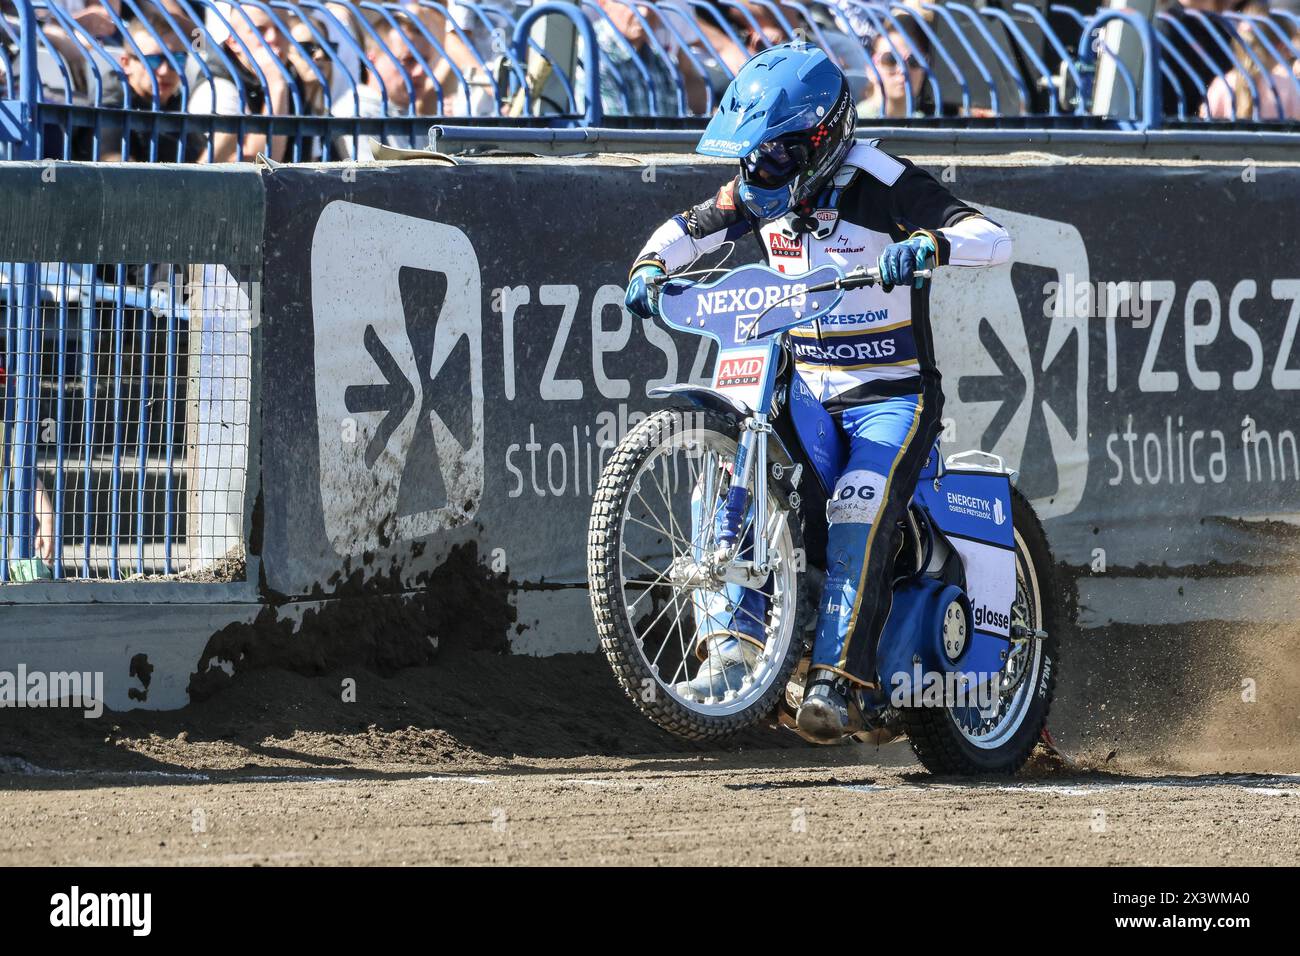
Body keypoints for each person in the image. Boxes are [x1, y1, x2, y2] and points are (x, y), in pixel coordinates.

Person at [623, 42, 1011, 742]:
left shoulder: (883, 179)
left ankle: (842, 682)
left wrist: (929, 246)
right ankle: (732, 647)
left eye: (773, 158)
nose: (757, 175)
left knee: (861, 504)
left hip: (891, 395)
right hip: (805, 382)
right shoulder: (759, 185)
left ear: (820, 142)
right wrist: (650, 267)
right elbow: (693, 228)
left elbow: (989, 237)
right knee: (731, 469)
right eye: (752, 158)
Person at [858, 26, 932, 119]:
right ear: (870, 69)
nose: (903, 69)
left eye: (914, 60)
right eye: (890, 59)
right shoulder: (853, 124)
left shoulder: (927, 126)